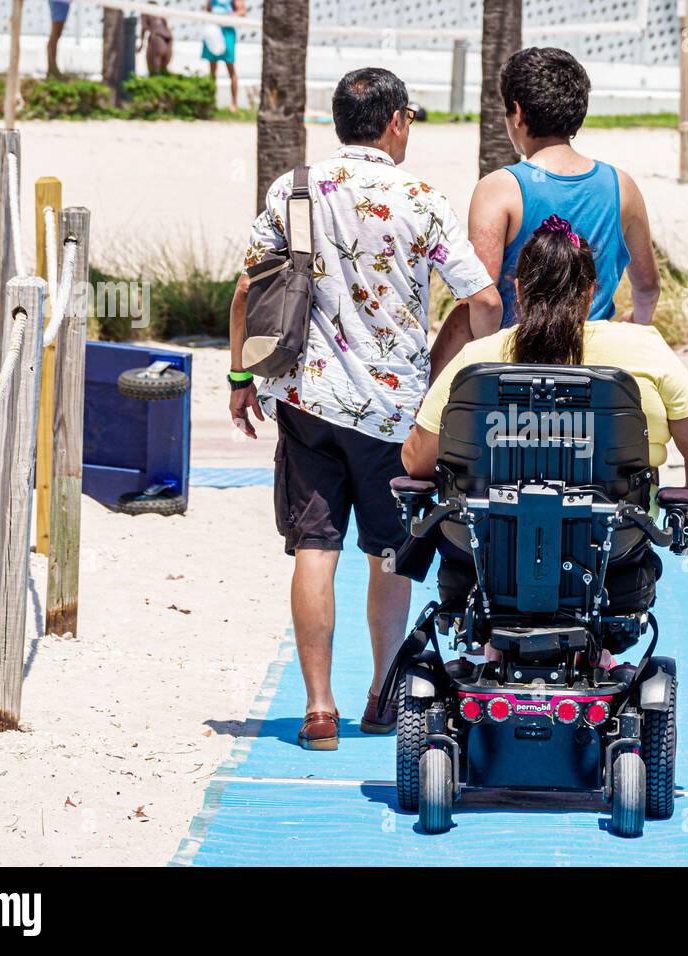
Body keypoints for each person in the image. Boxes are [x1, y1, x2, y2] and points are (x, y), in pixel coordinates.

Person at [228, 68, 502, 752]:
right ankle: (382, 694)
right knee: (388, 553)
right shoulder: (422, 199)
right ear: (396, 121)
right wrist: (448, 370)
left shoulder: (293, 190)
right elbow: (486, 301)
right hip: (394, 413)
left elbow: (245, 290)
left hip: (307, 399)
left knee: (315, 546)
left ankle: (319, 709)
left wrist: (240, 375)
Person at [406, 215, 688, 545]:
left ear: (518, 289)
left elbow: (416, 460)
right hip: (615, 546)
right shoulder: (644, 349)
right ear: (589, 292)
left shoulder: (475, 359)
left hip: (487, 544)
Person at [430, 47, 661, 380]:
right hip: (593, 369)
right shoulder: (621, 186)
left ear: (518, 113)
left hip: (515, 370)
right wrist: (636, 327)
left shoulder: (500, 189)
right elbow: (649, 287)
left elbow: (483, 301)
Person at [202, 0, 246, 110]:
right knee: (212, 69)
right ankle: (210, 102)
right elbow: (208, 9)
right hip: (213, 30)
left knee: (230, 67)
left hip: (227, 30)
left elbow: (242, 11)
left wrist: (226, 17)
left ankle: (234, 103)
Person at [47, 1, 71, 77]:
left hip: (63, 3)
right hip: (59, 2)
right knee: (55, 34)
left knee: (57, 34)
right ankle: (52, 68)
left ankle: (52, 68)